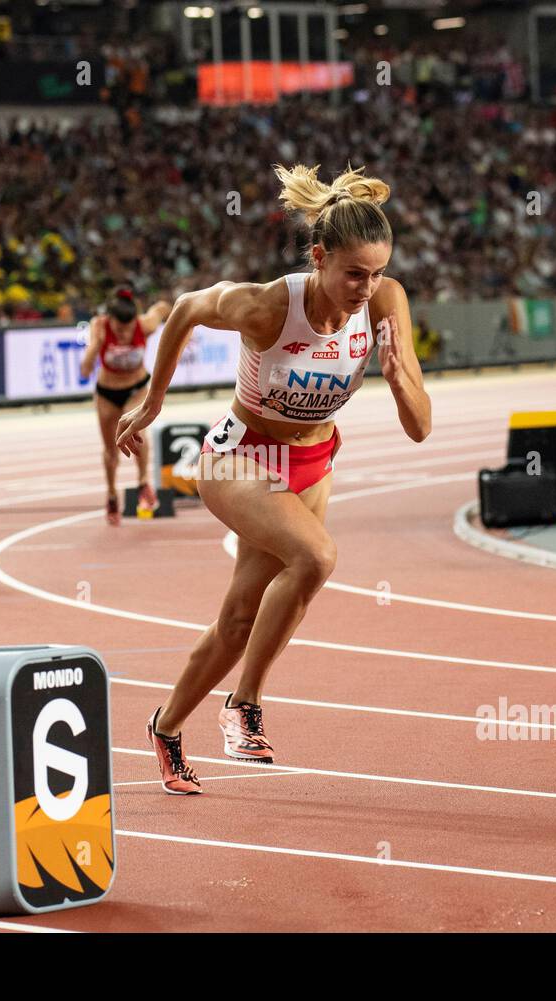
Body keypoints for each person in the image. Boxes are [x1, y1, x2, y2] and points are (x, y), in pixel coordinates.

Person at [116, 164, 432, 794]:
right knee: (316, 558)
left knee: (238, 618)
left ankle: (168, 725)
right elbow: (184, 309)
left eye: (376, 273)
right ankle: (245, 704)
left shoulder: (386, 303)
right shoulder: (266, 307)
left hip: (314, 461)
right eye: (353, 274)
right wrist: (152, 403)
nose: (366, 288)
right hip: (241, 457)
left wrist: (400, 383)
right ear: (318, 258)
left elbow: (421, 428)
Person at [79, 287, 172, 524]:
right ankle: (111, 494)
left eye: (128, 329)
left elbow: (162, 308)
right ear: (110, 321)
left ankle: (143, 482)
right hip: (107, 393)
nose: (123, 335)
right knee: (111, 449)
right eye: (118, 330)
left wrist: (182, 326)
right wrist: (96, 344)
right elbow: (85, 370)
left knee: (137, 430)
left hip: (136, 388)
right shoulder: (99, 326)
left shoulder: (145, 325)